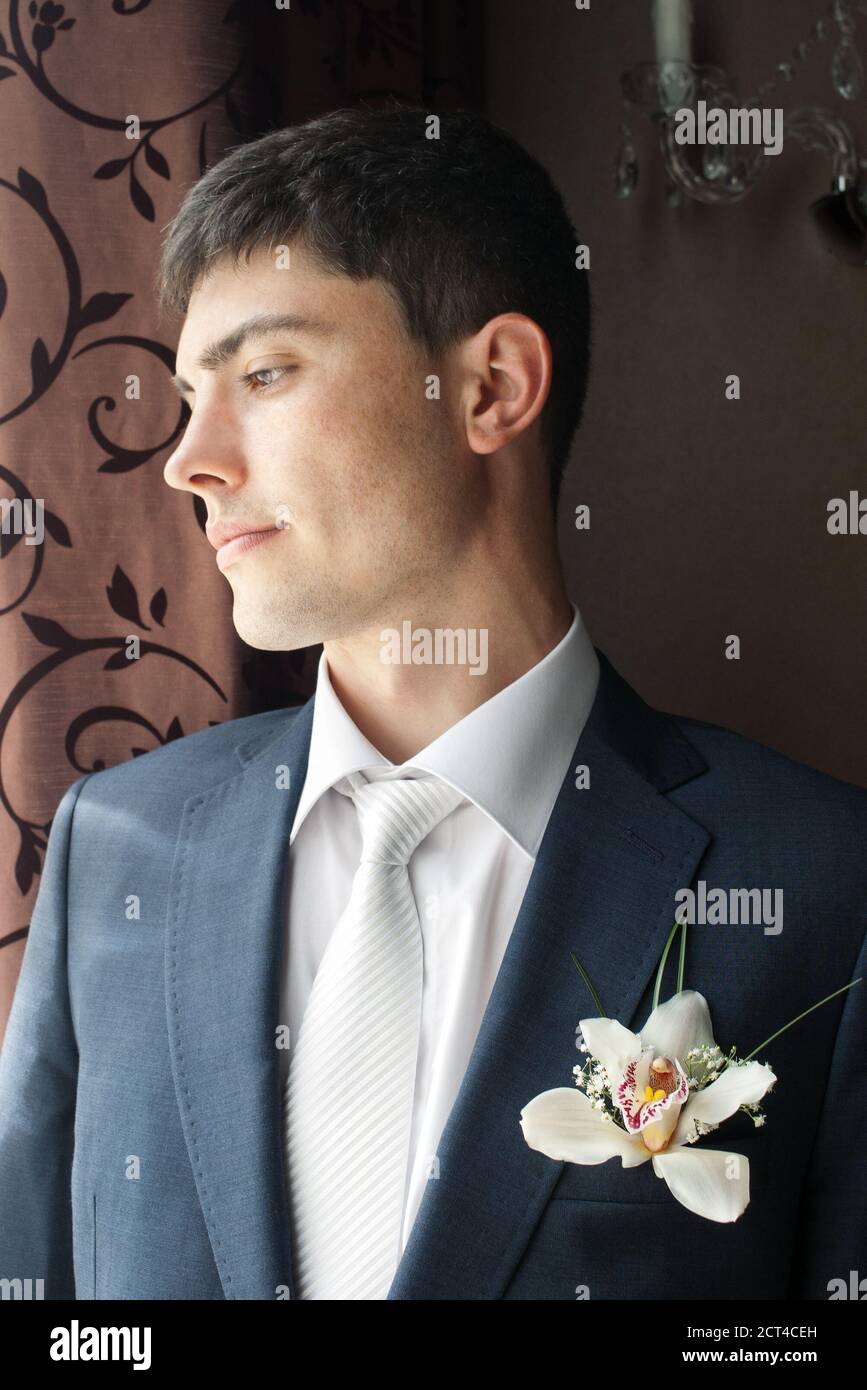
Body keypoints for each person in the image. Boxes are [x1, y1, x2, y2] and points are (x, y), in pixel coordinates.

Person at [0, 106, 864, 1301]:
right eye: (191, 395)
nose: (189, 461)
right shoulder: (116, 847)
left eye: (264, 372)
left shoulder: (830, 883)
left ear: (491, 388)